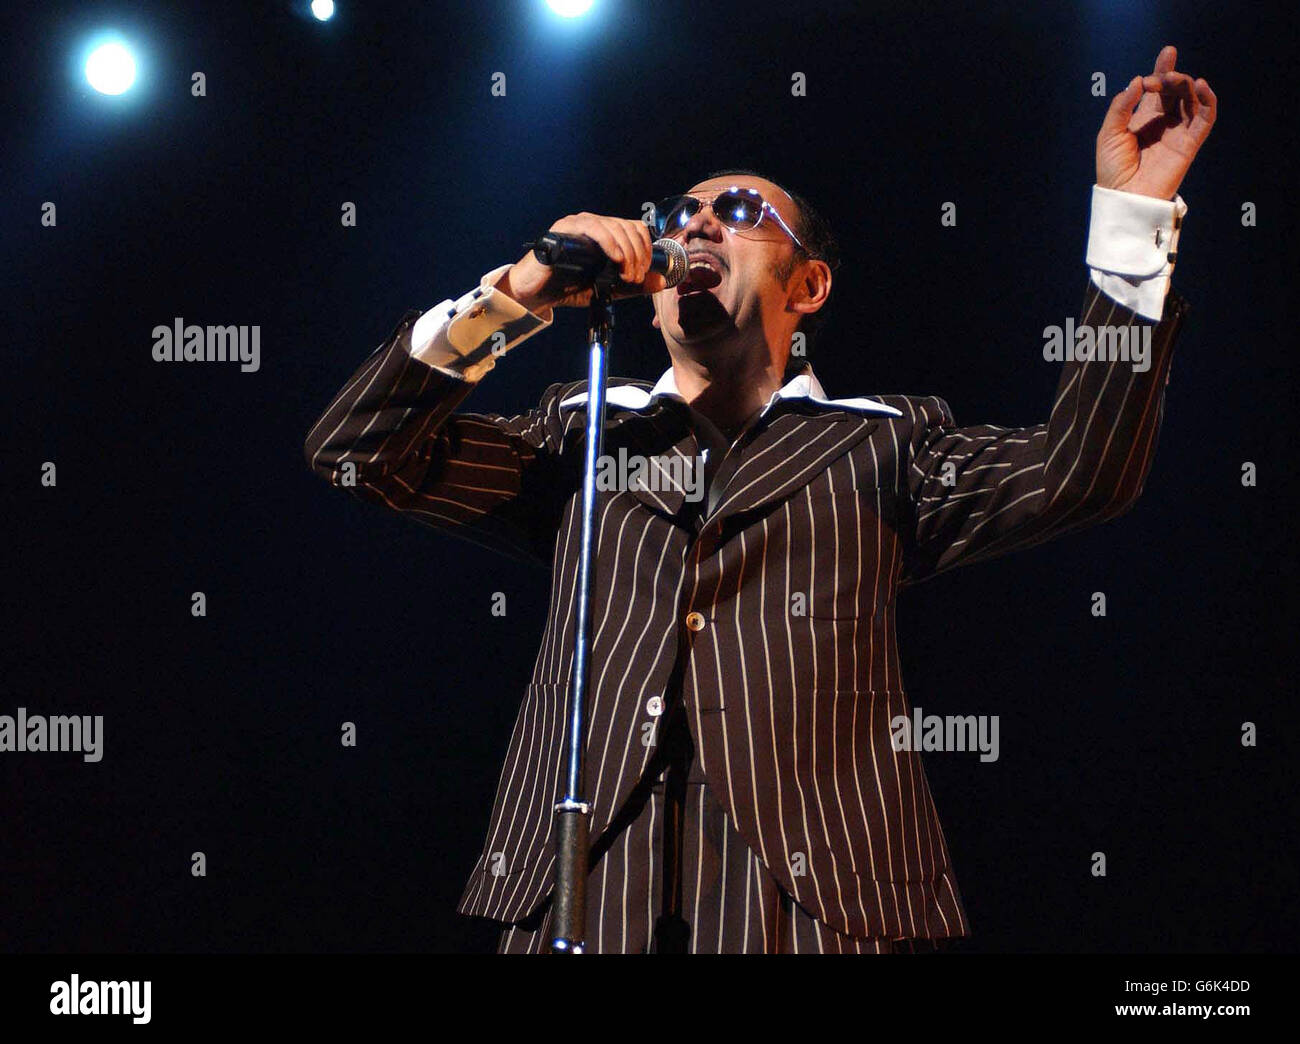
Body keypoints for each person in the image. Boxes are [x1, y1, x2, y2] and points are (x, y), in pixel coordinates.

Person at [304, 46, 1215, 953]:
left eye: (738, 213)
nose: (697, 227)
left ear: (807, 286)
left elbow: (1083, 469)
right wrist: (519, 293)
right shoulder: (579, 431)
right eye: (678, 215)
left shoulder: (884, 441)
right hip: (588, 888)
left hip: (814, 900)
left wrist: (1133, 219)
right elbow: (355, 451)